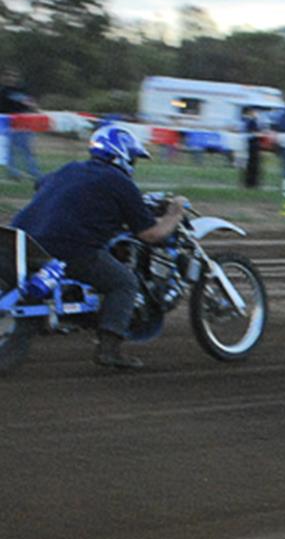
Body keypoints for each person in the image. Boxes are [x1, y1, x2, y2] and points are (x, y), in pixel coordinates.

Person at [8, 124, 187, 370]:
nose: (133, 165)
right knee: (124, 283)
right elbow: (151, 233)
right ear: (122, 155)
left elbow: (41, 184)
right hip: (67, 249)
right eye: (133, 159)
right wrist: (174, 213)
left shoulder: (71, 168)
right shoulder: (119, 182)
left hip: (21, 239)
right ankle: (109, 351)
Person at [1, 69, 44, 187]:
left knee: (27, 151)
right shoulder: (3, 91)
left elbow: (30, 102)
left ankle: (34, 172)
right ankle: (14, 174)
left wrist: (36, 110)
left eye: (13, 76)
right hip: (8, 125)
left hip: (23, 124)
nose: (11, 78)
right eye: (8, 75)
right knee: (9, 152)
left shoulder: (21, 90)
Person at [241, 106, 263, 189]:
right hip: (251, 143)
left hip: (254, 143)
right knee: (251, 164)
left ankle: (252, 182)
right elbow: (252, 131)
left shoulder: (253, 120)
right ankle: (250, 183)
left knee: (253, 164)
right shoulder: (249, 121)